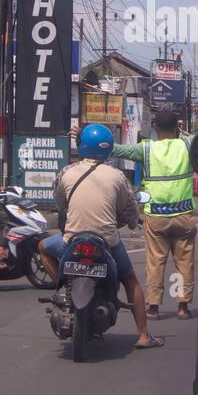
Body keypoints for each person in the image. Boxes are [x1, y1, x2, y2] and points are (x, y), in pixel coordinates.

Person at [107, 91, 198, 320]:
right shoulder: (187, 145)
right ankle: (183, 307)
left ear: (154, 126)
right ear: (178, 126)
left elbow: (115, 149)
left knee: (156, 262)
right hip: (184, 217)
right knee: (183, 263)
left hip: (156, 218)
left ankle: (154, 307)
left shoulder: (145, 149)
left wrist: (84, 139)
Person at [40, 124, 163, 350]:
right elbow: (129, 210)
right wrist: (132, 221)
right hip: (107, 241)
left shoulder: (66, 173)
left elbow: (60, 203)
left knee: (42, 247)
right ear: (108, 148)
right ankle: (144, 336)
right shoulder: (117, 176)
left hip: (72, 240)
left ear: (82, 145)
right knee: (130, 280)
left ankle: (63, 287)